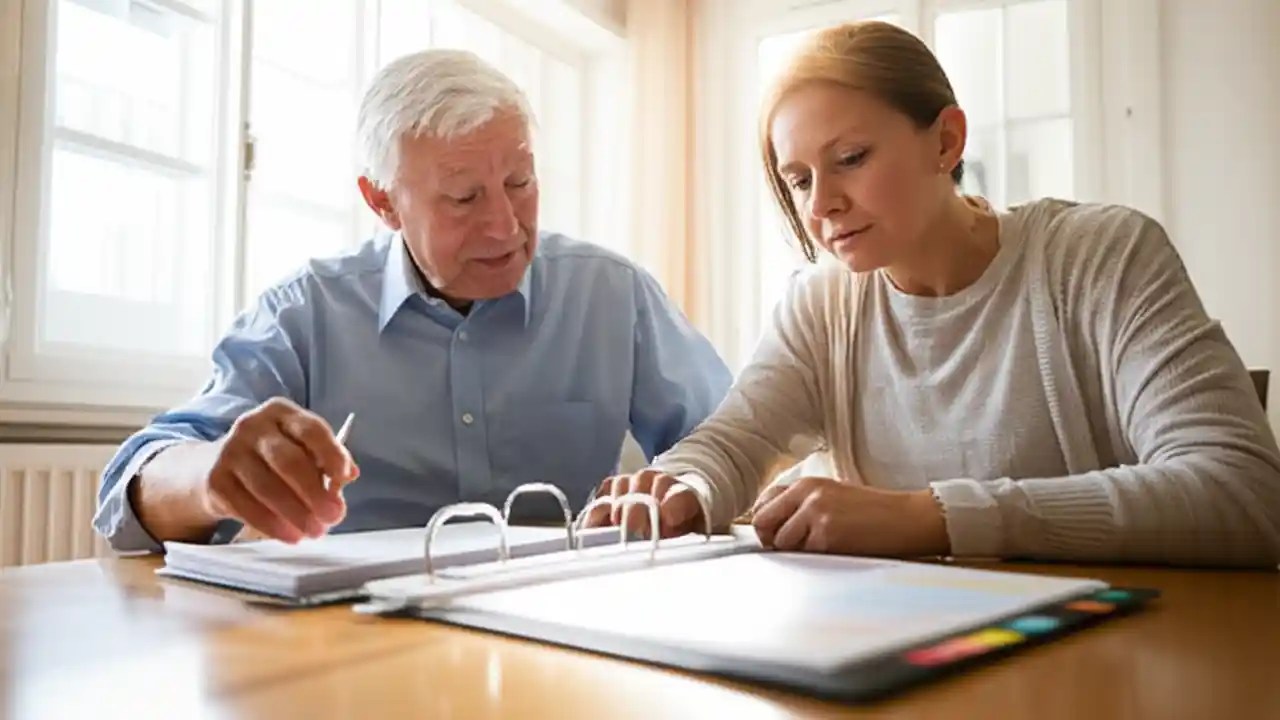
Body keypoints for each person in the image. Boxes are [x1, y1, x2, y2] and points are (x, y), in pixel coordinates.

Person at [586, 21, 1280, 567]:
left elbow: (1246, 493)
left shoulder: (1103, 256)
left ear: (946, 141)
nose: (822, 204)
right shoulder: (821, 303)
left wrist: (928, 517)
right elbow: (734, 444)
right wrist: (681, 486)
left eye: (850, 159)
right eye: (798, 180)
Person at [93, 49, 732, 552]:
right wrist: (209, 477)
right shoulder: (305, 313)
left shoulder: (612, 295)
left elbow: (735, 448)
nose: (507, 226)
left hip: (568, 632)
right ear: (383, 202)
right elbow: (127, 502)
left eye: (520, 181)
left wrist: (687, 492)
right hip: (363, 643)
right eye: (463, 198)